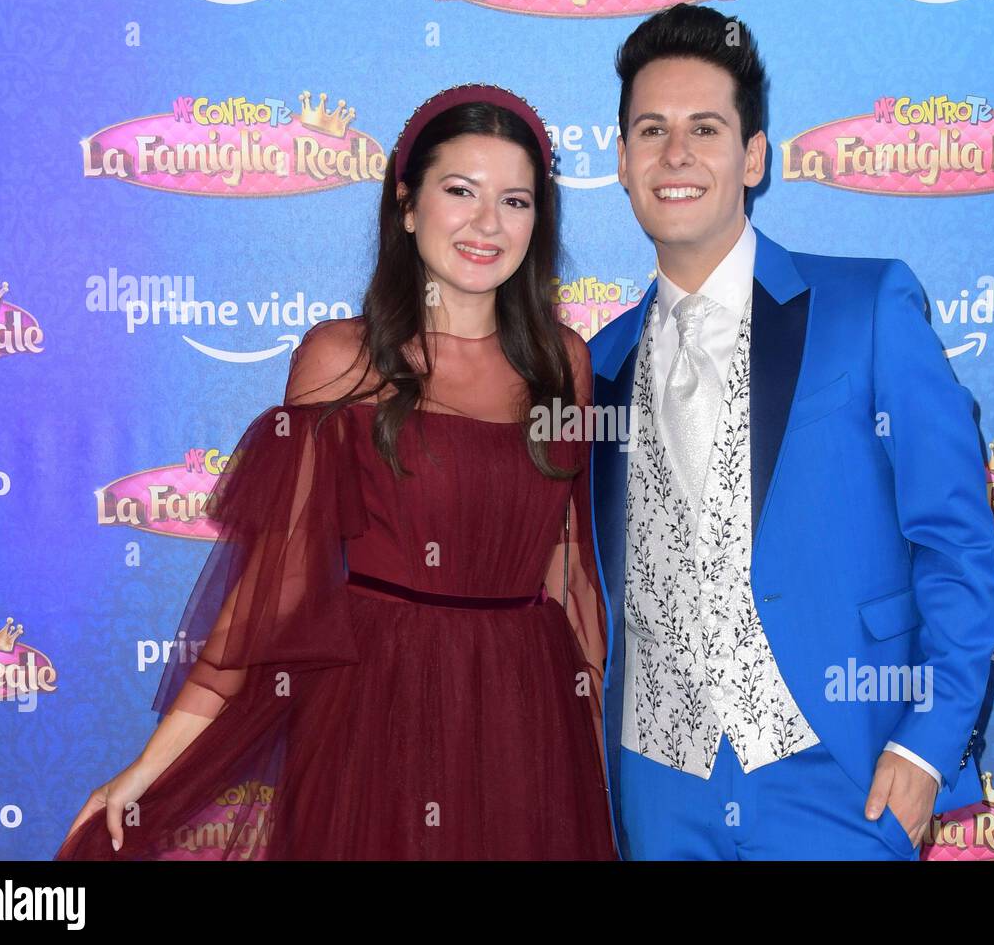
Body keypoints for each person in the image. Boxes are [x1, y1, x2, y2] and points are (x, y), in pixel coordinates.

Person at [55, 83, 617, 860]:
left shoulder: (566, 364)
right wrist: (148, 770)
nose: (488, 223)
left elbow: (566, 567)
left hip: (524, 710)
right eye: (461, 191)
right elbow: (272, 592)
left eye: (515, 201)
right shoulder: (342, 358)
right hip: (371, 710)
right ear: (407, 201)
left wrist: (586, 742)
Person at [586, 5, 994, 859]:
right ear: (622, 162)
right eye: (651, 130)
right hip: (654, 789)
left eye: (705, 128)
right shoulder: (593, 369)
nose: (676, 154)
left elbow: (955, 538)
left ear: (754, 156)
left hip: (841, 775)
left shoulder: (869, 305)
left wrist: (930, 742)